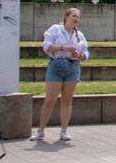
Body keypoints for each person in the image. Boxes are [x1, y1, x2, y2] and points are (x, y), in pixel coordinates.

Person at [32, 8, 89, 143]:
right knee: (50, 100)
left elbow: (85, 54)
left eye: (78, 17)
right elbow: (47, 46)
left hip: (73, 67)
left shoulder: (79, 35)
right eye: (74, 16)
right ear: (66, 17)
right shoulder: (56, 29)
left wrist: (79, 55)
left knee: (67, 100)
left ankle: (64, 131)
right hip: (56, 66)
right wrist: (64, 48)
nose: (76, 19)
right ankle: (40, 131)